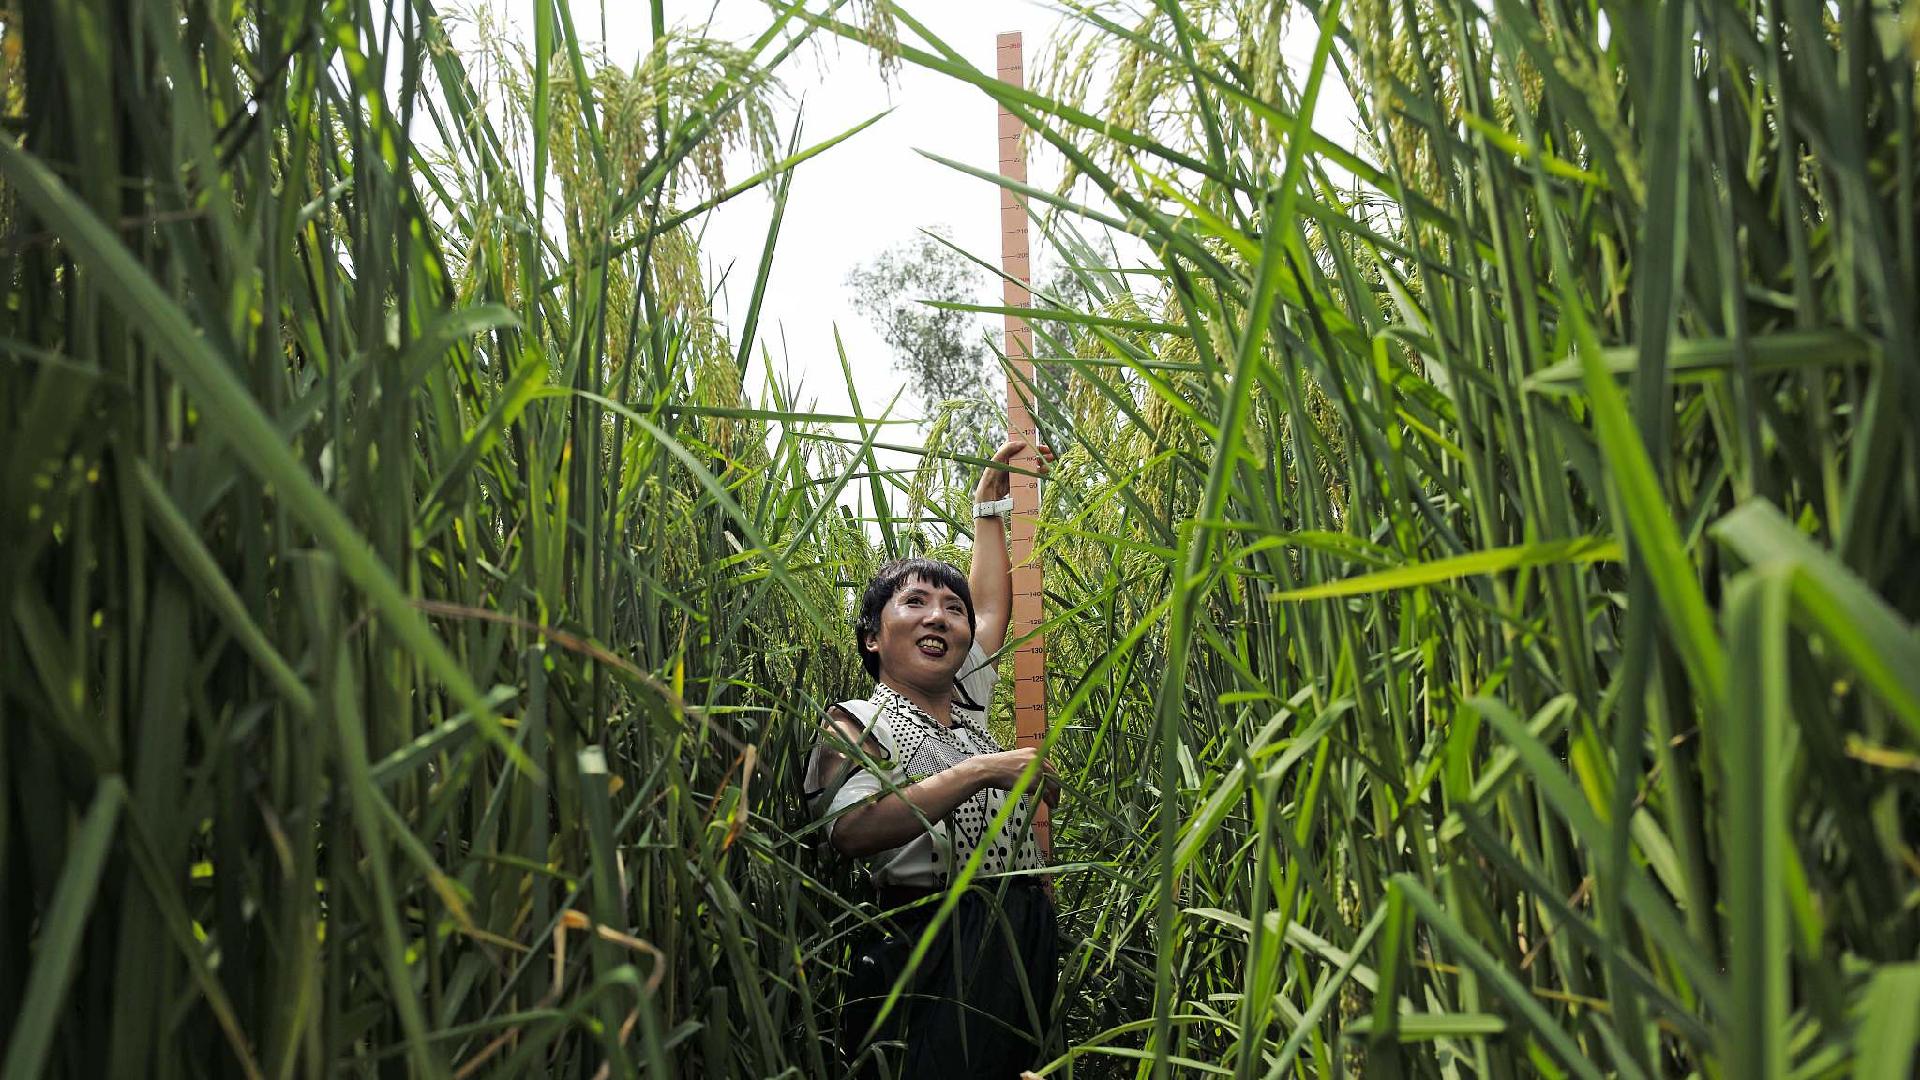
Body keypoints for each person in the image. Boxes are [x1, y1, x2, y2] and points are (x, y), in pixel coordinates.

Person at [804, 437, 1061, 1079]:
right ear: (872, 637)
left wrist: (988, 509)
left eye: (952, 610)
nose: (941, 618)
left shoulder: (968, 704)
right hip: (931, 939)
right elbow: (848, 830)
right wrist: (985, 769)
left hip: (1022, 932)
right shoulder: (856, 720)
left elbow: (992, 605)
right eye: (915, 603)